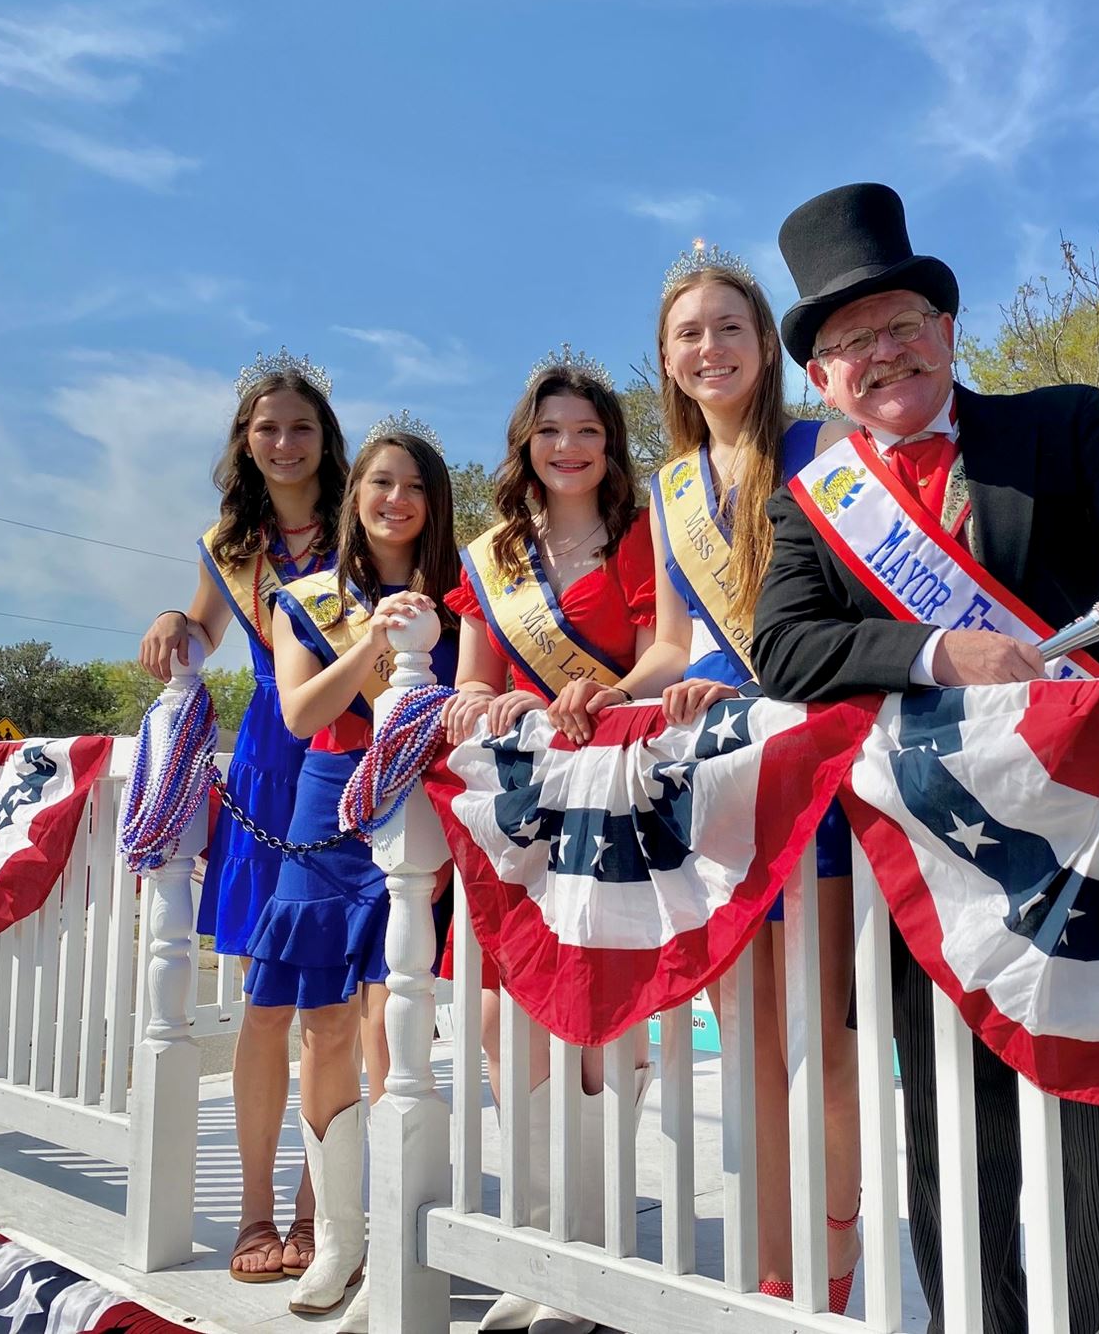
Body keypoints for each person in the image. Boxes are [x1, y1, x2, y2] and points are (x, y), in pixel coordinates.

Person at [752, 183, 1099, 1334]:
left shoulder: (1057, 423)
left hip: (1089, 840)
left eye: (898, 328)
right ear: (824, 382)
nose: (881, 358)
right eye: (849, 346)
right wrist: (935, 651)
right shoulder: (813, 505)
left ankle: (1091, 1323)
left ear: (944, 331)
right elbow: (781, 646)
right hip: (931, 852)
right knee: (949, 1125)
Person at [545, 243, 863, 1312]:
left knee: (822, 1031)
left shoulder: (827, 448)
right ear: (667, 360)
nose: (709, 346)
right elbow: (674, 648)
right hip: (713, 776)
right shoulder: (673, 489)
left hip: (808, 753)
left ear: (763, 342)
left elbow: (855, 615)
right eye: (688, 333)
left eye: (728, 325)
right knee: (752, 1040)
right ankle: (775, 1272)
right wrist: (606, 688)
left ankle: (833, 1257)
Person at [437, 352, 656, 1334]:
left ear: (608, 448)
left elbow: (666, 656)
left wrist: (601, 692)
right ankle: (538, 1246)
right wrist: (490, 698)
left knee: (600, 1017)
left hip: (613, 795)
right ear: (525, 445)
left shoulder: (644, 536)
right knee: (498, 1020)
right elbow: (473, 681)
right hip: (521, 810)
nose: (567, 448)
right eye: (550, 432)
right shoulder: (493, 557)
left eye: (587, 432)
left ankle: (596, 1247)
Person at [137, 349, 347, 1285]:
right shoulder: (229, 547)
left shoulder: (358, 521)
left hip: (352, 750)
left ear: (325, 438)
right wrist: (173, 627)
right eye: (269, 428)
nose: (286, 441)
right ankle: (255, 1214)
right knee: (266, 1007)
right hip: (269, 764)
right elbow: (203, 628)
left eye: (302, 426)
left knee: (335, 1010)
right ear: (246, 442)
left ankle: (321, 1213)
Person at [247, 416, 460, 1328]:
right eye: (380, 483)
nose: (395, 500)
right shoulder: (312, 595)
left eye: (413, 486)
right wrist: (373, 641)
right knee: (322, 1028)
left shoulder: (464, 592)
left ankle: (396, 1242)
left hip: (420, 803)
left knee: (391, 1034)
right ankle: (337, 1237)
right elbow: (299, 715)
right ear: (355, 497)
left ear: (433, 502)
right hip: (326, 803)